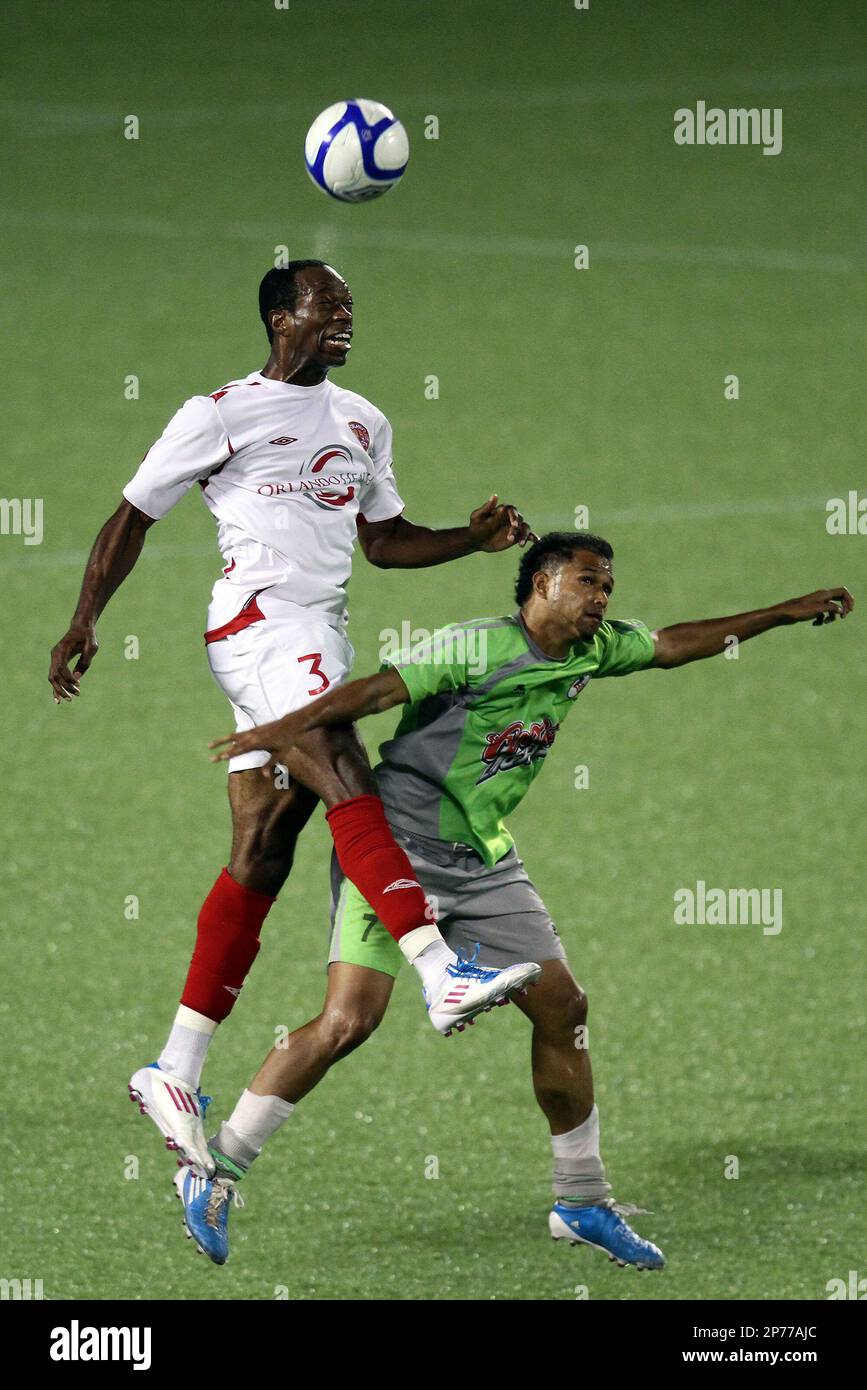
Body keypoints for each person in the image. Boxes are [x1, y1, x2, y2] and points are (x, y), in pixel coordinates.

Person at [185, 531, 853, 1269]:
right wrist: (286, 727)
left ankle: (581, 1201)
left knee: (564, 1008)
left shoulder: (592, 651)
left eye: (607, 586)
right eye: (587, 582)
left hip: (484, 860)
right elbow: (376, 692)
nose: (601, 598)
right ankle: (214, 1170)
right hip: (397, 851)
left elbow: (671, 644)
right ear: (542, 584)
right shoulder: (477, 646)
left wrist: (783, 612)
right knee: (348, 1022)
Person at [48, 260, 539, 1179]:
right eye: (327, 306)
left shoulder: (363, 421)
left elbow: (383, 542)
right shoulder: (219, 413)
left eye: (350, 307)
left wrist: (470, 540)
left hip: (320, 634)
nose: (345, 318)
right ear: (282, 318)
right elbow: (131, 518)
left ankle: (174, 1067)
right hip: (259, 627)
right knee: (345, 764)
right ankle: (439, 968)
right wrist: (86, 619)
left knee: (265, 846)